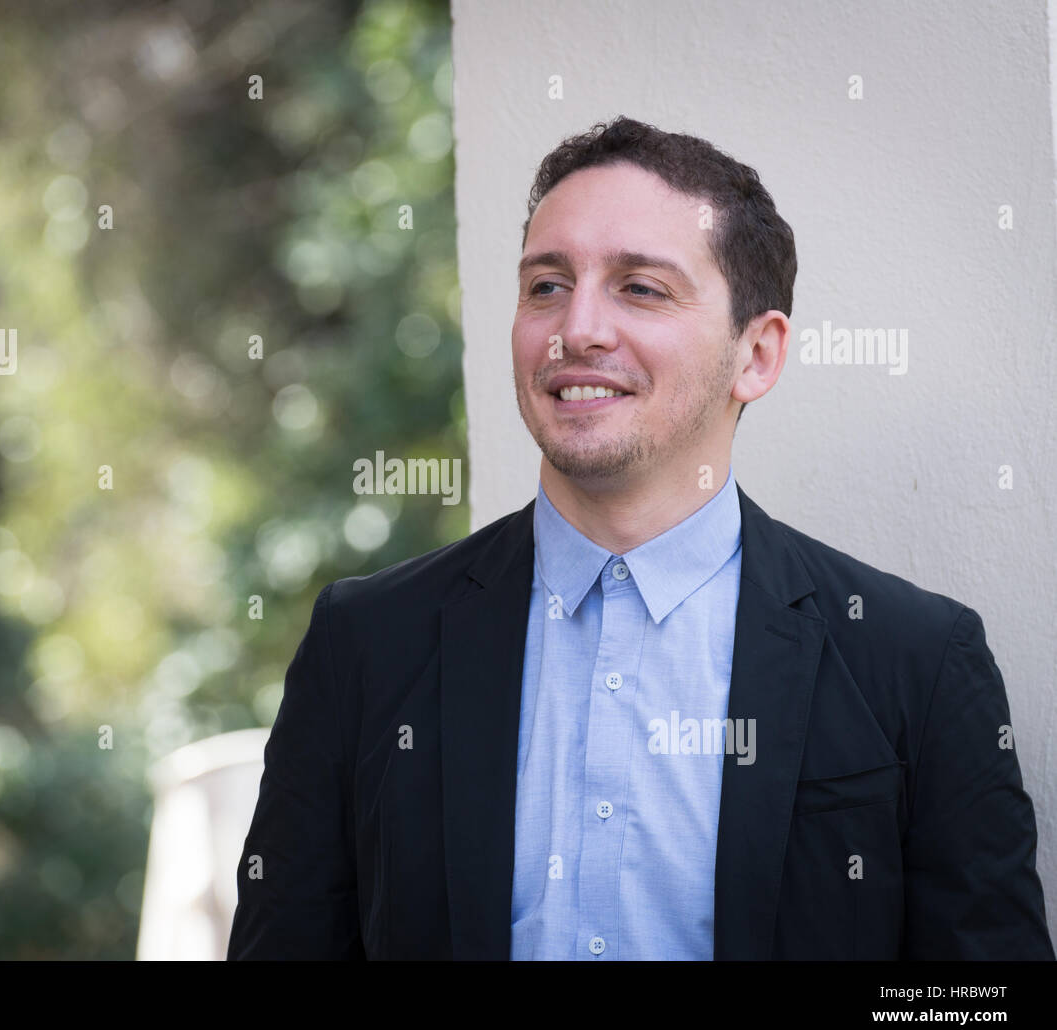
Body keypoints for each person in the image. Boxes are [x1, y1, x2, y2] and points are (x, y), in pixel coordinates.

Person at [226, 115, 1053, 960]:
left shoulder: (914, 661)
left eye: (640, 288)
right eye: (546, 286)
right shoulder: (367, 642)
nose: (576, 329)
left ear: (756, 356)